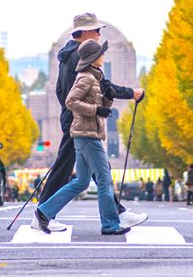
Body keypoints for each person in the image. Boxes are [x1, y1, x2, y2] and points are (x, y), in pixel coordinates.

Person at [34, 13, 147, 232]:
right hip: (83, 123)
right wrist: (127, 95)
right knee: (97, 174)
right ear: (84, 33)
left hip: (74, 119)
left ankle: (44, 212)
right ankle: (112, 219)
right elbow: (101, 87)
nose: (98, 34)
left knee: (79, 176)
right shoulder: (80, 59)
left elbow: (61, 91)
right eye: (95, 30)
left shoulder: (68, 55)